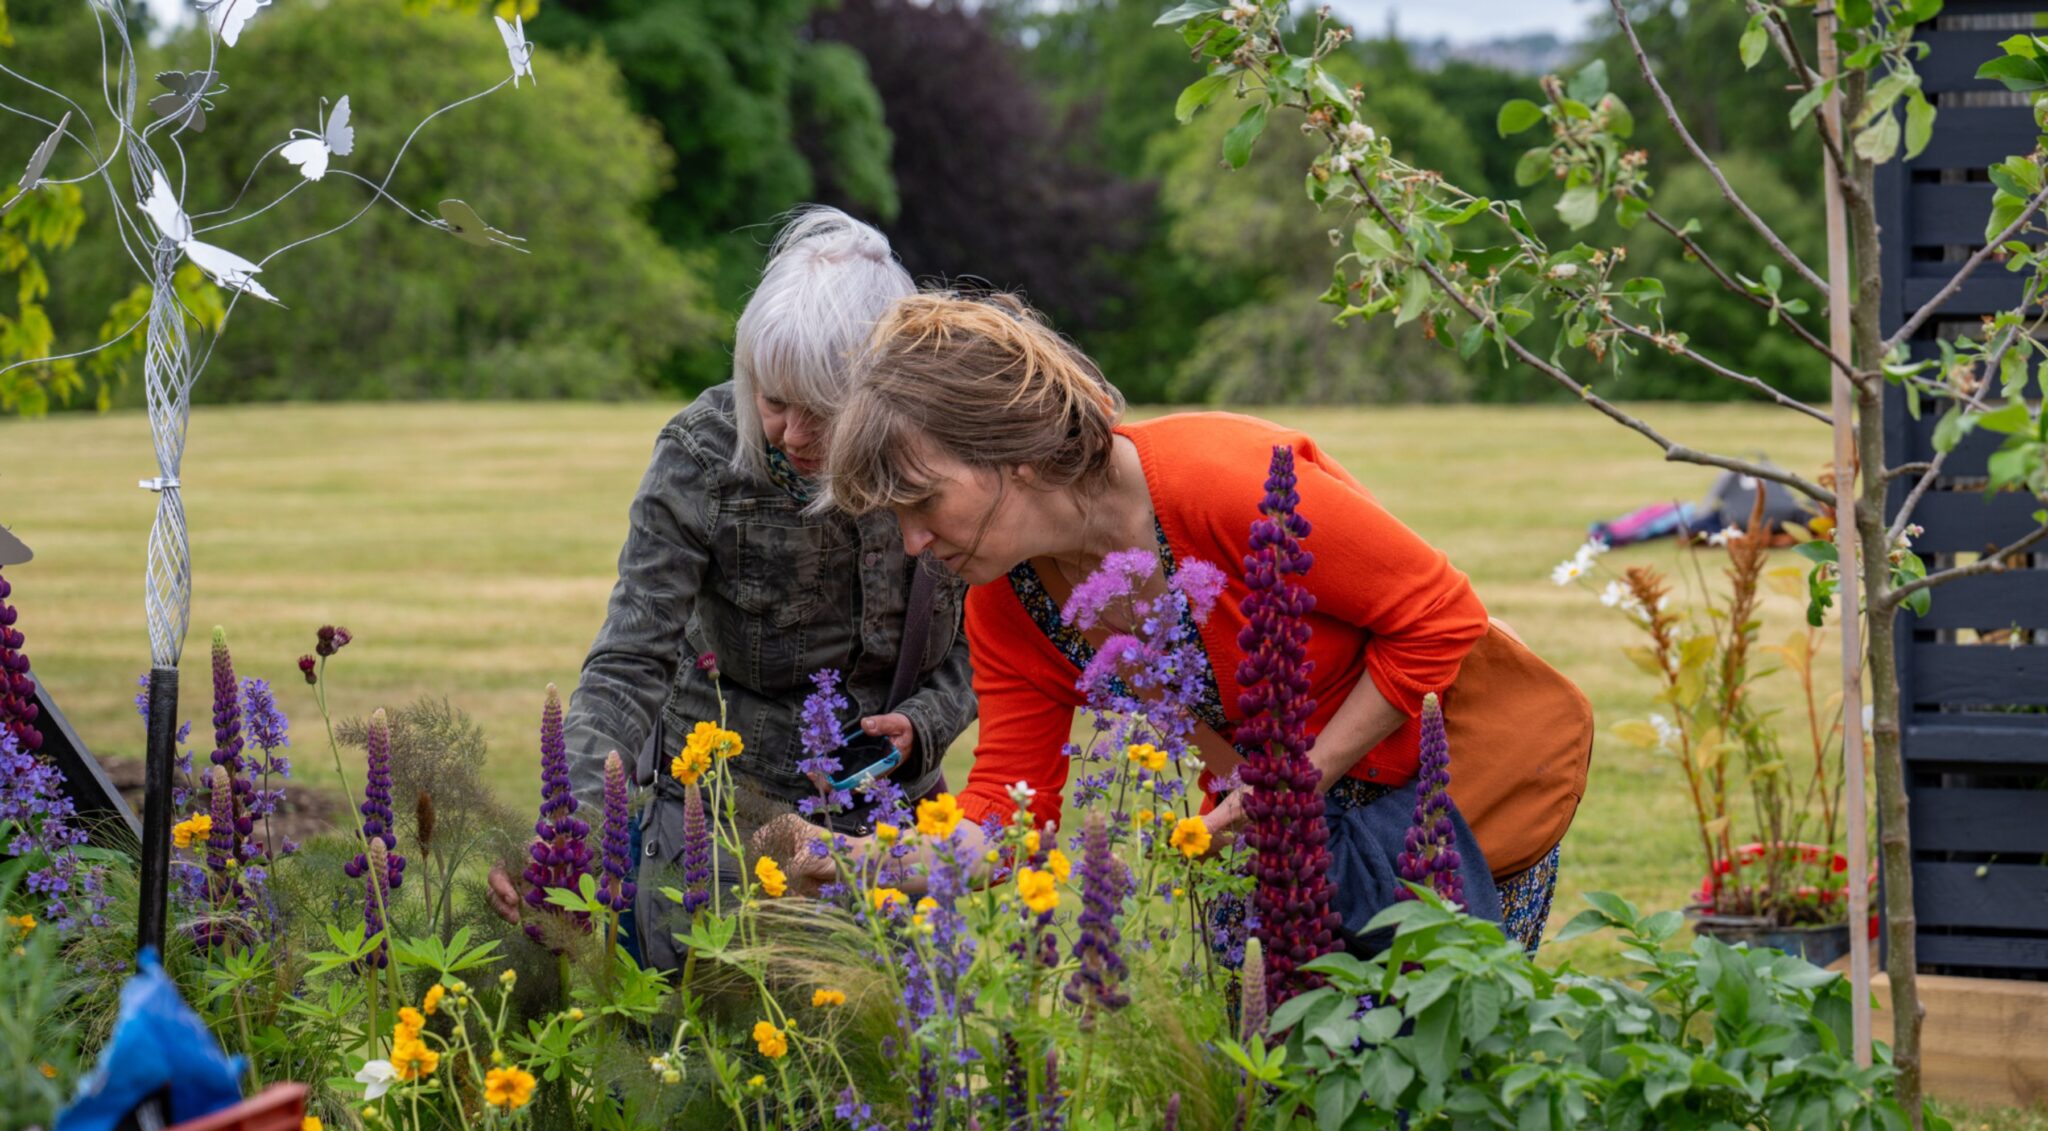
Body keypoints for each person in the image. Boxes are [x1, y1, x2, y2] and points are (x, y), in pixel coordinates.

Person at [816, 292, 1578, 951]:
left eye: (922, 500)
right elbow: (1012, 816)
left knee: (1439, 1092)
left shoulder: (1220, 483)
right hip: (1283, 843)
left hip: (1464, 801)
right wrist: (859, 860)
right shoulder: (1006, 603)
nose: (914, 542)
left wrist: (1287, 787)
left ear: (1011, 450)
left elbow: (1439, 617)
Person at [495, 210, 978, 969]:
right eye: (772, 396)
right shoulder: (701, 455)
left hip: (892, 834)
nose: (788, 432)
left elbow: (992, 640)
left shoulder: (945, 452)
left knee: (890, 1070)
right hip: (721, 837)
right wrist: (570, 830)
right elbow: (628, 663)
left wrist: (927, 720)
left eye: (819, 408)